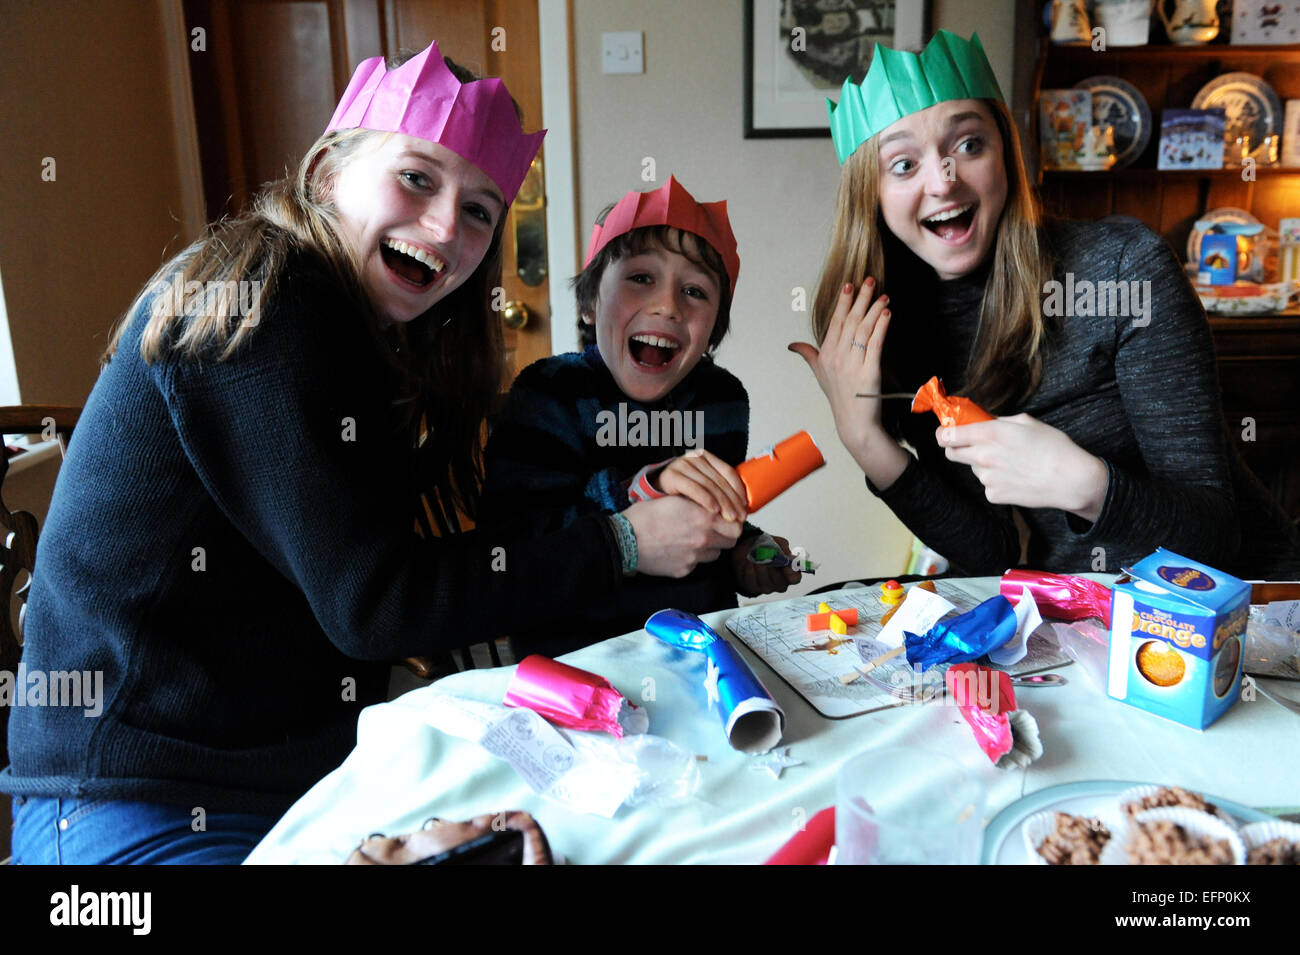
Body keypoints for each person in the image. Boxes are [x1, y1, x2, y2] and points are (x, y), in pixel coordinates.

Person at [2, 44, 726, 865]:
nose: (450, 227)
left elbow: (388, 573)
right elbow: (377, 606)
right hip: (134, 798)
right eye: (417, 177)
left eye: (481, 209)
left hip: (270, 777)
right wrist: (625, 541)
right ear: (324, 175)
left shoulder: (362, 339)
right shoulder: (269, 303)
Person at [789, 30, 1298, 579]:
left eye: (968, 144)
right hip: (1089, 615)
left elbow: (1216, 538)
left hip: (1251, 610)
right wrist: (866, 442)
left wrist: (1084, 485)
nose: (943, 180)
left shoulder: (1126, 272)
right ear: (872, 195)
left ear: (1004, 153)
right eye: (904, 165)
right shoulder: (900, 323)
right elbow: (991, 553)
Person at [481, 177, 800, 658]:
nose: (667, 306)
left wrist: (744, 551)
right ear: (589, 305)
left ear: (714, 330)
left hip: (699, 653)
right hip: (576, 660)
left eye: (694, 291)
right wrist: (644, 488)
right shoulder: (550, 394)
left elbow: (715, 520)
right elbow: (519, 547)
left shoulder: (722, 399)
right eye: (641, 278)